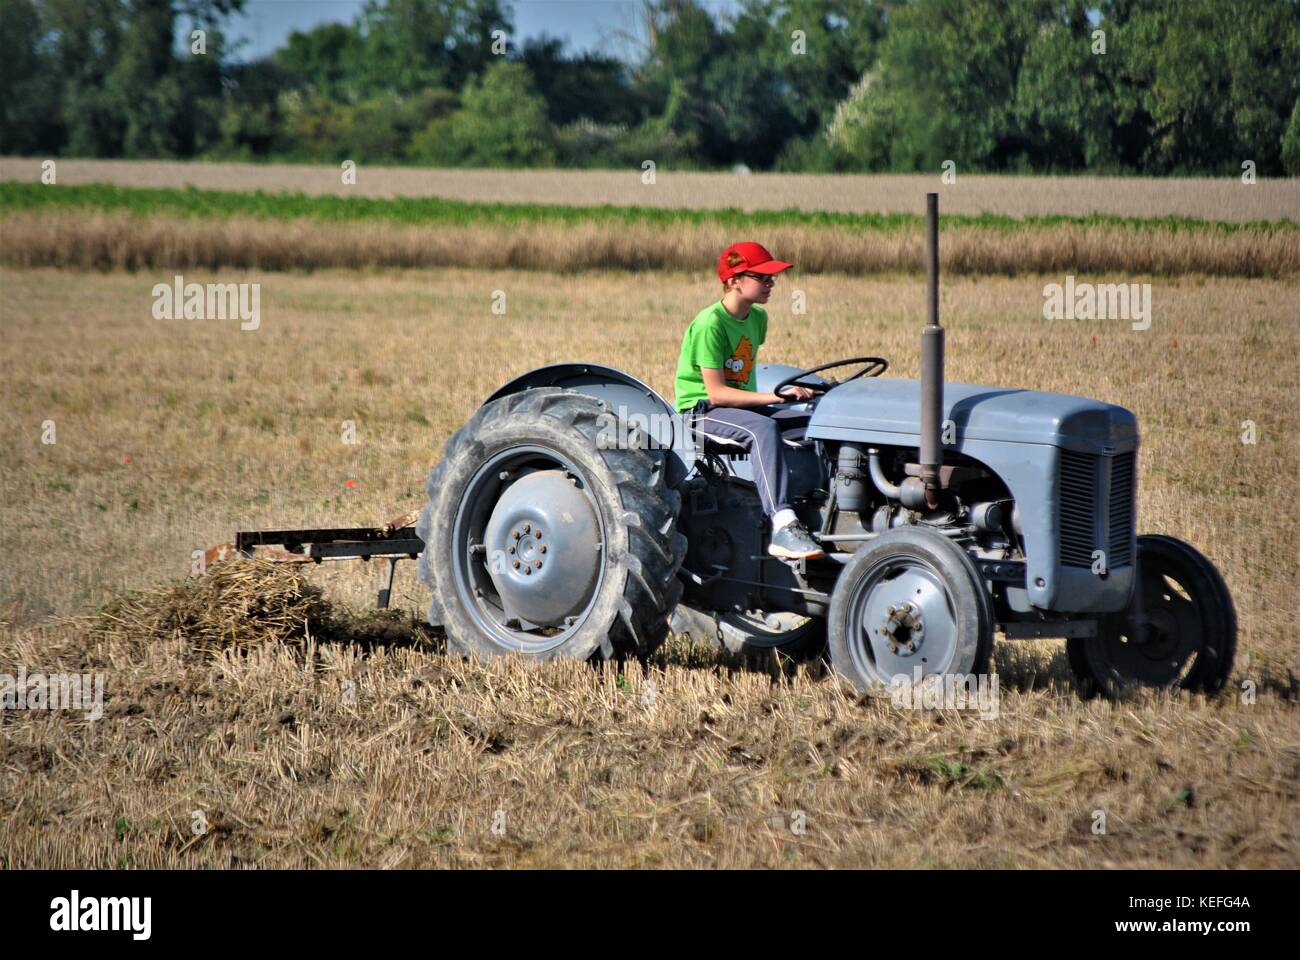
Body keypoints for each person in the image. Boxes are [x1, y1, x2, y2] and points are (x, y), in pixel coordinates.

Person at [673, 241, 825, 560]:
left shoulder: (757, 318)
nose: (771, 284)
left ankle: (822, 505)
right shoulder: (709, 324)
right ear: (734, 280)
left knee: (815, 425)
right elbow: (716, 393)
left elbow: (741, 379)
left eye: (773, 277)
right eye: (763, 277)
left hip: (739, 408)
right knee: (762, 430)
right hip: (702, 411)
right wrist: (775, 396)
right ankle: (783, 526)